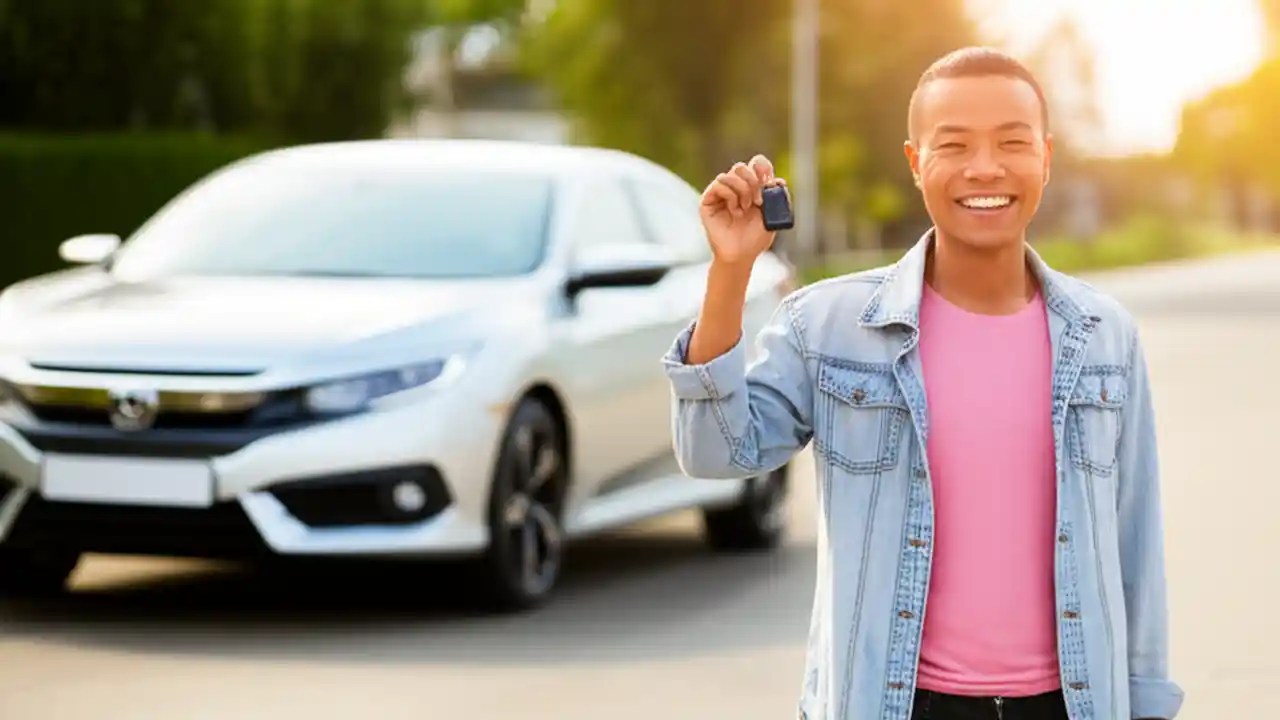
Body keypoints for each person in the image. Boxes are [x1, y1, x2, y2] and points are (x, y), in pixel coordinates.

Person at [661, 46, 1183, 720]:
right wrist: (730, 272)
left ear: (1046, 159)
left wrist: (1147, 706)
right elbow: (713, 451)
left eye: (1012, 143)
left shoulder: (1105, 336)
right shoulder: (831, 327)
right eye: (955, 144)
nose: (985, 168)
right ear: (915, 162)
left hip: (1073, 705)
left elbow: (1135, 548)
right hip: (895, 705)